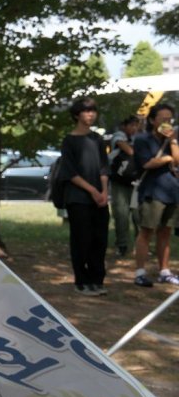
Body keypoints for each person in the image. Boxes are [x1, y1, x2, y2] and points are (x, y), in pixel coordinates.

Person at [56, 97, 111, 295]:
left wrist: (103, 191)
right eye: (87, 110)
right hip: (78, 198)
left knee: (100, 240)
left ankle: (97, 279)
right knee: (81, 240)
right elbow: (70, 173)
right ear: (77, 114)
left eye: (93, 110)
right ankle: (82, 281)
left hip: (100, 199)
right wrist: (93, 191)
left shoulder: (98, 139)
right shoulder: (69, 141)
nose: (91, 114)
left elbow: (104, 168)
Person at [132, 102, 179, 287]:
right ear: (152, 120)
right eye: (162, 118)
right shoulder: (143, 139)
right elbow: (147, 164)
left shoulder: (172, 139)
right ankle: (140, 272)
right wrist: (166, 158)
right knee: (146, 231)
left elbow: (177, 161)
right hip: (152, 190)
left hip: (172, 190)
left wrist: (173, 141)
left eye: (169, 119)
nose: (166, 122)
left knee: (165, 231)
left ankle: (164, 271)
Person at [108, 114, 142, 257]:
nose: (134, 128)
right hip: (119, 183)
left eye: (136, 125)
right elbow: (129, 151)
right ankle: (122, 245)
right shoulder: (119, 136)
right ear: (124, 126)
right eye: (131, 125)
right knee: (121, 215)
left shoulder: (140, 138)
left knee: (138, 216)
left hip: (136, 183)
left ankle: (141, 246)